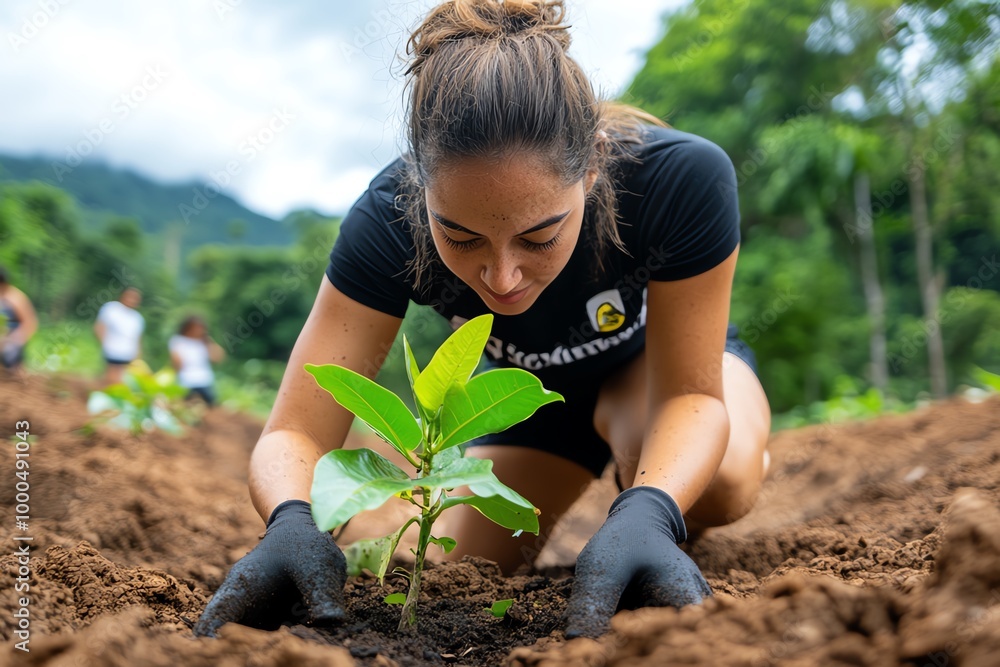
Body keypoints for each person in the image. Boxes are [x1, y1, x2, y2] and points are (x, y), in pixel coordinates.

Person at [194, 0, 771, 640]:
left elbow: (691, 393)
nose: (502, 277)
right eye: (461, 238)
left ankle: (653, 499)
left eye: (540, 237)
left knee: (718, 479)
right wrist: (292, 520)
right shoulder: (386, 219)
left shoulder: (679, 180)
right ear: (419, 189)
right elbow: (294, 432)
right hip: (531, 405)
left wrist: (651, 511)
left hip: (654, 378)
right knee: (455, 573)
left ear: (593, 165)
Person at [169, 315, 225, 406]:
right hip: (186, 381)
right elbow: (177, 363)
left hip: (204, 380)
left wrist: (209, 341)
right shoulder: (178, 341)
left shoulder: (204, 342)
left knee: (211, 406)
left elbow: (218, 358)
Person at [94, 286, 145, 385]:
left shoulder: (137, 318)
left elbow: (137, 338)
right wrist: (104, 344)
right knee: (111, 377)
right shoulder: (111, 309)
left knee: (122, 379)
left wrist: (138, 355)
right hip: (112, 350)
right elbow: (100, 327)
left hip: (128, 353)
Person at [0, 266, 38, 376]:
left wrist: (15, 340)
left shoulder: (16, 298)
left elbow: (30, 322)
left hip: (13, 340)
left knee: (11, 360)